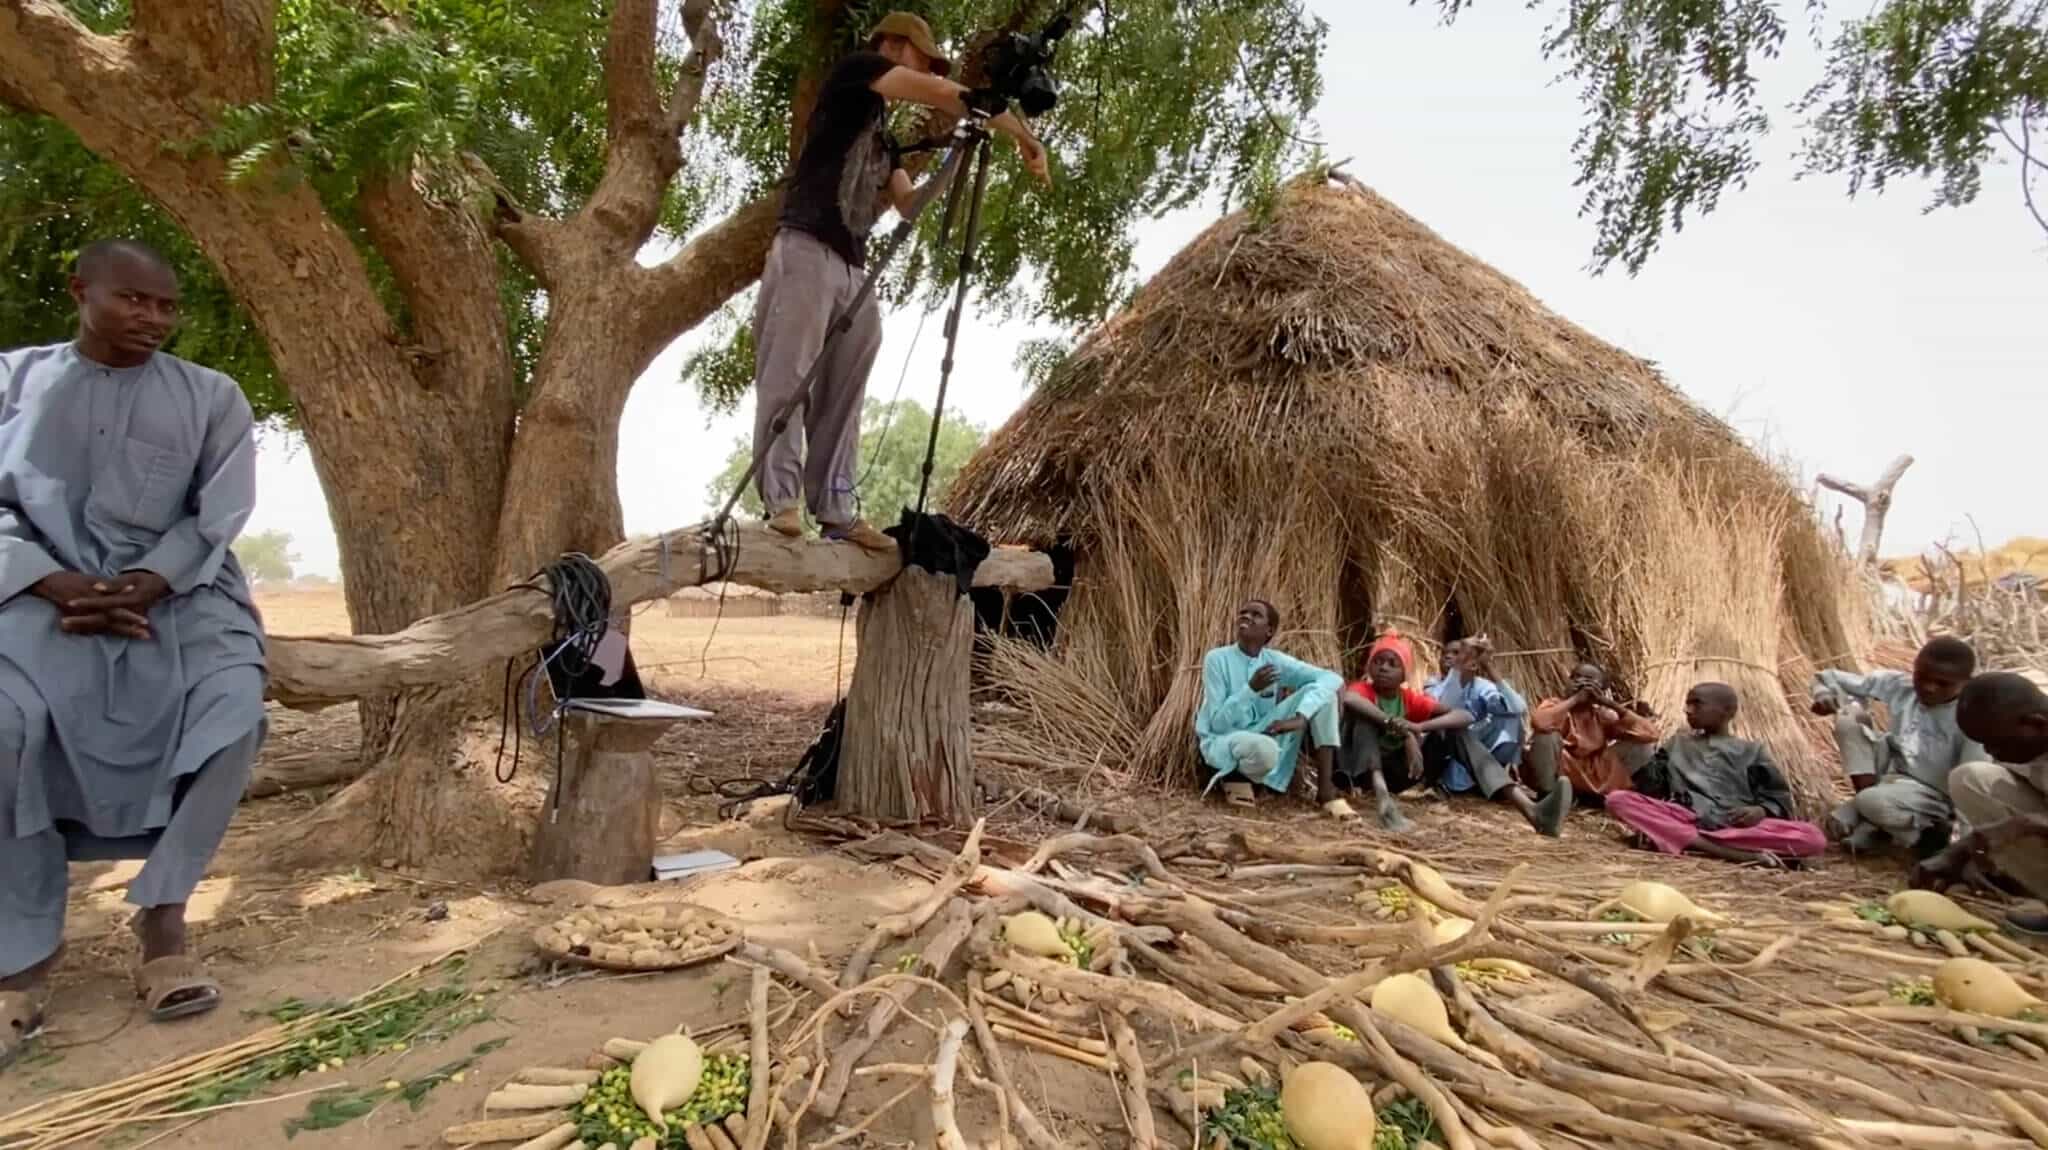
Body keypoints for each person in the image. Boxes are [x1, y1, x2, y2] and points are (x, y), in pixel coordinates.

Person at [0, 240, 267, 1067]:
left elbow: (217, 512)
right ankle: (21, 958)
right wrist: (48, 580)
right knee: (8, 725)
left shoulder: (212, 396)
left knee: (233, 713)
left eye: (166, 306)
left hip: (182, 595)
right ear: (80, 291)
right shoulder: (10, 381)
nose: (153, 318)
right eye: (133, 300)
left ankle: (163, 920)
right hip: (35, 591)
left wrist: (150, 581)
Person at [751, 11, 1051, 551]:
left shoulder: (884, 141)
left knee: (847, 388)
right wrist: (1020, 133)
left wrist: (958, 155)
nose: (926, 71)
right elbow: (943, 93)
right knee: (789, 374)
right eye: (921, 58)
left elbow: (909, 204)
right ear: (892, 44)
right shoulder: (856, 72)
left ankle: (836, 508)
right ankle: (782, 501)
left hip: (852, 264)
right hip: (806, 246)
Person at [1341, 632, 1572, 835]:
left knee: (1455, 730)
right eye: (1378, 662)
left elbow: (1465, 716)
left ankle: (1532, 811)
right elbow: (1350, 699)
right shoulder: (1362, 689)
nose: (1384, 667)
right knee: (1364, 721)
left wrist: (1418, 728)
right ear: (1369, 667)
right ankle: (1384, 804)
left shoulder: (1409, 698)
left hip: (1399, 773)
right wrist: (1400, 728)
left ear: (1404, 675)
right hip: (1360, 772)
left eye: (1393, 664)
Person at [1606, 683, 1826, 865]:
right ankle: (1732, 854)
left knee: (1813, 837)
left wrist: (1760, 810)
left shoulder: (1751, 751)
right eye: (1687, 704)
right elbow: (1652, 788)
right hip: (1686, 817)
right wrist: (1646, 744)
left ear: (1727, 711)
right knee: (1618, 800)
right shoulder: (1678, 743)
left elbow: (1777, 796)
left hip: (1735, 826)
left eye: (1697, 704)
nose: (1688, 710)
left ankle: (1687, 842)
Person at [1813, 636, 1980, 856]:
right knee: (1848, 717)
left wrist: (1965, 849)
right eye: (1922, 677)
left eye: (1943, 684)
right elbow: (1827, 677)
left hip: (1932, 796)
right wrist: (1824, 694)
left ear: (1966, 683)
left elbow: (1968, 785)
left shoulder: (1971, 718)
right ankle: (1874, 820)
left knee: (1850, 815)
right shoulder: (1902, 687)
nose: (1929, 687)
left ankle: (1924, 833)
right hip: (1890, 773)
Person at [1913, 672, 2048, 932]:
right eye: (1984, 743)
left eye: (1997, 743)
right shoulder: (2033, 741)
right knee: (1971, 779)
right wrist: (1963, 851)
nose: (1990, 752)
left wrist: (2018, 826)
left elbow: (2022, 825)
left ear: (2036, 724)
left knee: (2016, 828)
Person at [1195, 599, 1344, 814]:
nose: (1246, 616)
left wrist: (1301, 716)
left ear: (1269, 631)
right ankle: (1234, 779)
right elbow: (1217, 725)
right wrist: (1251, 689)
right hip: (1223, 739)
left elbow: (1331, 678)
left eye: (1256, 615)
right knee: (1265, 749)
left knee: (1326, 696)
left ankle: (1325, 791)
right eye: (1243, 612)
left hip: (1262, 732)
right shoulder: (1216, 659)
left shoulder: (1274, 662)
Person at [1528, 663, 1661, 802]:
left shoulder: (1602, 715)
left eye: (1590, 682)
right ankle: (1548, 796)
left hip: (1595, 773)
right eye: (1576, 678)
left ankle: (1592, 795)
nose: (1582, 684)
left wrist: (1609, 703)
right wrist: (1574, 699)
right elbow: (1539, 723)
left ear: (1600, 690)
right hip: (1561, 770)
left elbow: (1652, 734)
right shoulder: (1555, 705)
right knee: (1545, 737)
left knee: (1642, 747)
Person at [1426, 635, 1528, 798]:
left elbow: (1518, 708)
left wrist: (1488, 666)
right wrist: (1458, 669)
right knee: (1454, 726)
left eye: (1457, 652)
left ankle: (1489, 780)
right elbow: (1443, 706)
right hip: (1444, 752)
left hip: (1476, 751)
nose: (1449, 656)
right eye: (1445, 653)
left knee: (1511, 717)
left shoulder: (1481, 685)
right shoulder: (1432, 684)